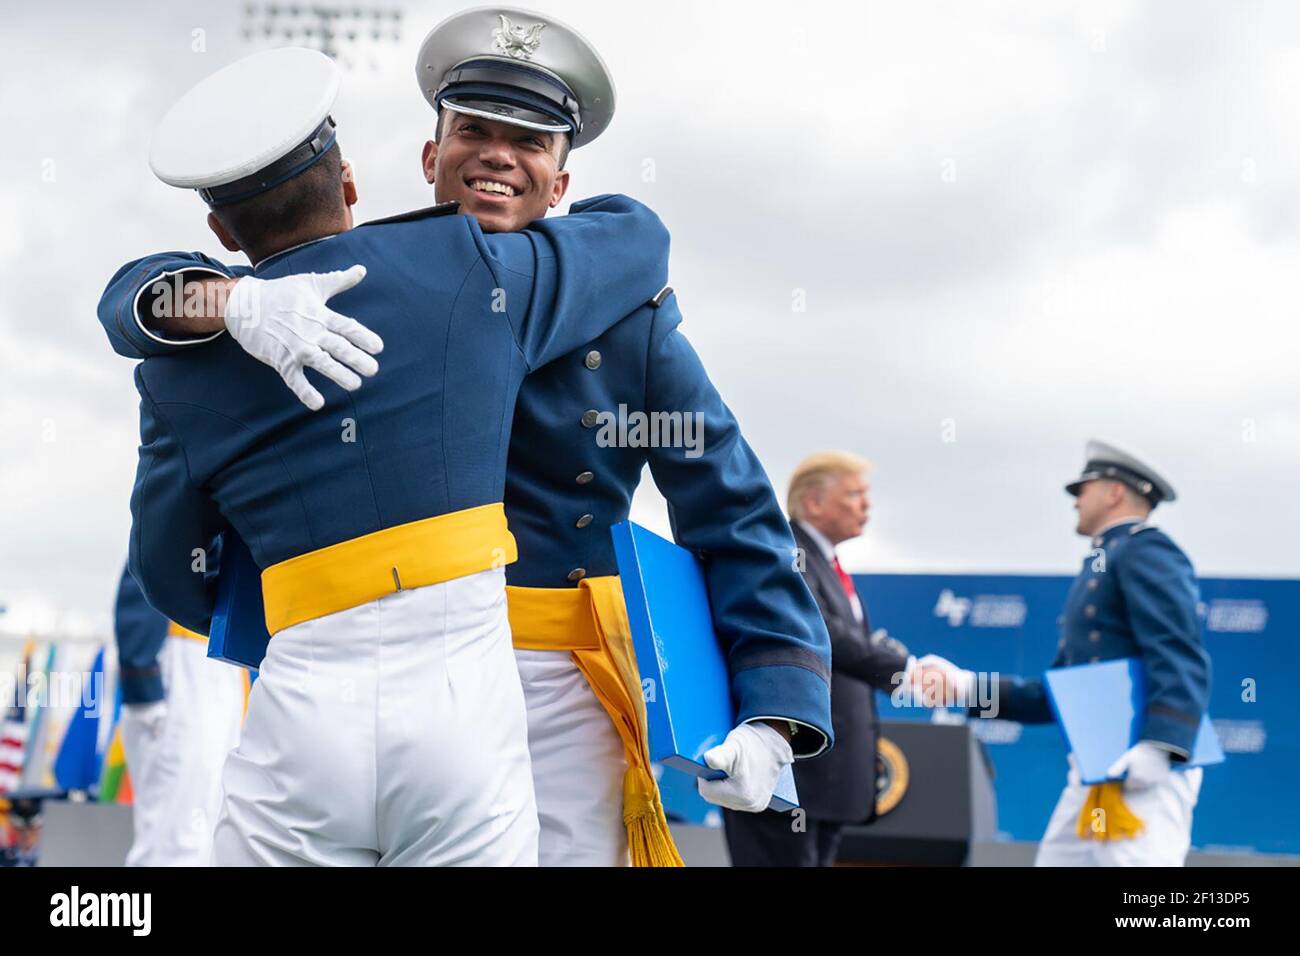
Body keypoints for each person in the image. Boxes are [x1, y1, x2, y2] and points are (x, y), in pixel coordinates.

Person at [98, 7, 833, 867]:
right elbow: (165, 289)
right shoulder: (333, 292)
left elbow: (732, 507)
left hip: (563, 695)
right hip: (370, 678)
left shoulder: (629, 322)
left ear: (561, 186)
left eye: (528, 142)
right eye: (473, 130)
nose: (497, 154)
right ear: (427, 157)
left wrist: (775, 711)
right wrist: (225, 301)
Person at [927, 440, 1212, 866]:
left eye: (1085, 487)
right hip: (1097, 769)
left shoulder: (1145, 549)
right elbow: (1058, 694)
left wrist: (1161, 746)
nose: (1076, 499)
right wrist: (966, 689)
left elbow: (1179, 651)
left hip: (1143, 769)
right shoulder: (1107, 557)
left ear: (1115, 492)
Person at [724, 451, 925, 867]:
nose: (866, 505)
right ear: (813, 502)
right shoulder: (785, 551)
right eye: (854, 494)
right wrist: (903, 669)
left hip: (825, 782)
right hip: (791, 775)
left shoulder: (825, 564)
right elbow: (823, 631)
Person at [112, 564, 244, 866]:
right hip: (184, 653)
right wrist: (142, 678)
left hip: (223, 653)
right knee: (176, 831)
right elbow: (153, 551)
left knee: (209, 823)